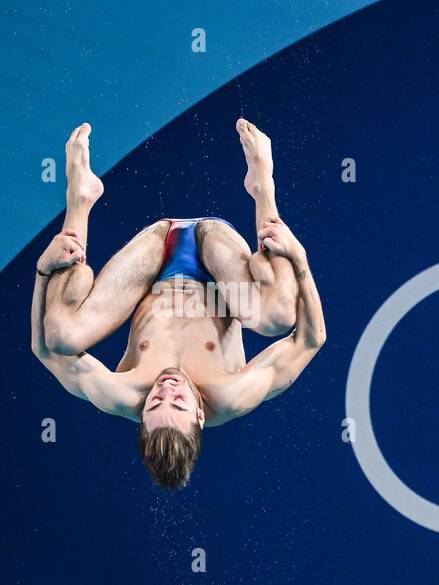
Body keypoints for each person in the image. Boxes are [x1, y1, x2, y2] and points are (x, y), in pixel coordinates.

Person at [30, 119, 326, 490]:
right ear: (200, 415)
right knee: (278, 317)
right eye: (179, 404)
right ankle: (263, 187)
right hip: (215, 262)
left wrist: (43, 272)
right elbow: (310, 340)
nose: (166, 389)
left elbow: (43, 350)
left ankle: (80, 198)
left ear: (141, 416)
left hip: (152, 261)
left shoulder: (119, 394)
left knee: (61, 334)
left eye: (154, 405)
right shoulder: (232, 395)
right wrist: (299, 260)